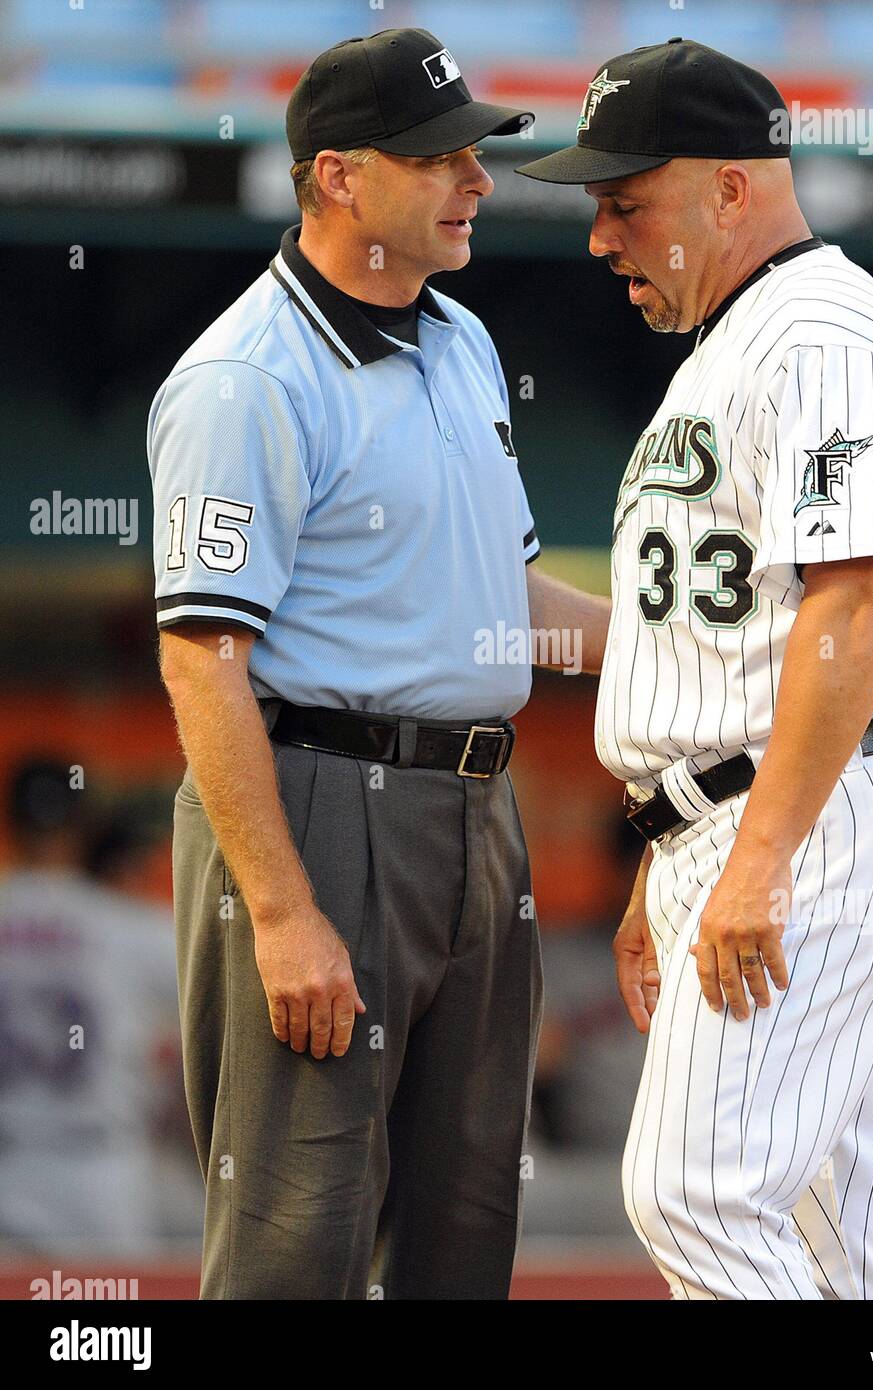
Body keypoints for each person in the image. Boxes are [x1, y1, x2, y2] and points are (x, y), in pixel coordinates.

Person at [147, 28, 609, 1300]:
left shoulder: (460, 338)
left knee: (464, 1227)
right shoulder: (245, 377)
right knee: (297, 1234)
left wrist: (696, 648)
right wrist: (282, 912)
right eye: (439, 157)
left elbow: (507, 601)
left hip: (477, 807)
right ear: (339, 177)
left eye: (474, 154)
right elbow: (202, 660)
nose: (476, 179)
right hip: (315, 803)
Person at [519, 38, 873, 1300]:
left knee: (693, 1192)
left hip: (811, 816)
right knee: (842, 1239)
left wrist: (756, 854)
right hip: (758, 815)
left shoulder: (822, 334)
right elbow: (701, 643)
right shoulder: (738, 341)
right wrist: (667, 842)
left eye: (624, 202)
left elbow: (854, 602)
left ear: (728, 187)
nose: (599, 236)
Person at [0, 759, 186, 1251]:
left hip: (8, 1165)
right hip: (100, 1168)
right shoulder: (125, 924)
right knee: (110, 1304)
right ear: (82, 827)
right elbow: (228, 998)